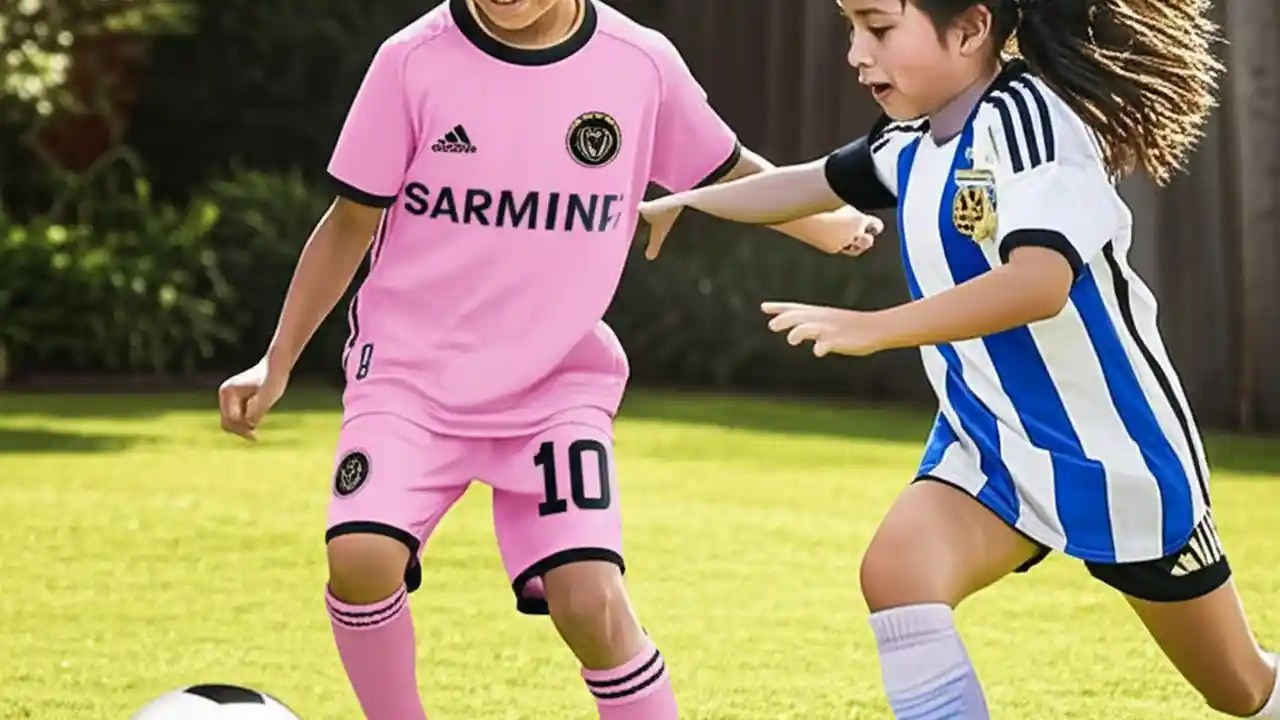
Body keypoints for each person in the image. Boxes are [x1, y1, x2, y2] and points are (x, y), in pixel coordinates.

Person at [215, 1, 880, 718]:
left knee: (589, 600)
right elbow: (350, 221)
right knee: (359, 554)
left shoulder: (640, 63)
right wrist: (275, 360)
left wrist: (828, 226)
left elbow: (727, 169)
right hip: (409, 376)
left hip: (557, 387)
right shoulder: (411, 60)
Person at [638, 0, 1279, 717]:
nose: (856, 52)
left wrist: (877, 327)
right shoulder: (911, 140)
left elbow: (1039, 283)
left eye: (877, 29)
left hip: (1114, 457)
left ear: (971, 30)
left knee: (1241, 688)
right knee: (898, 573)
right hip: (992, 445)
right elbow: (807, 180)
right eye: (851, 29)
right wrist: (689, 202)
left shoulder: (1031, 124)